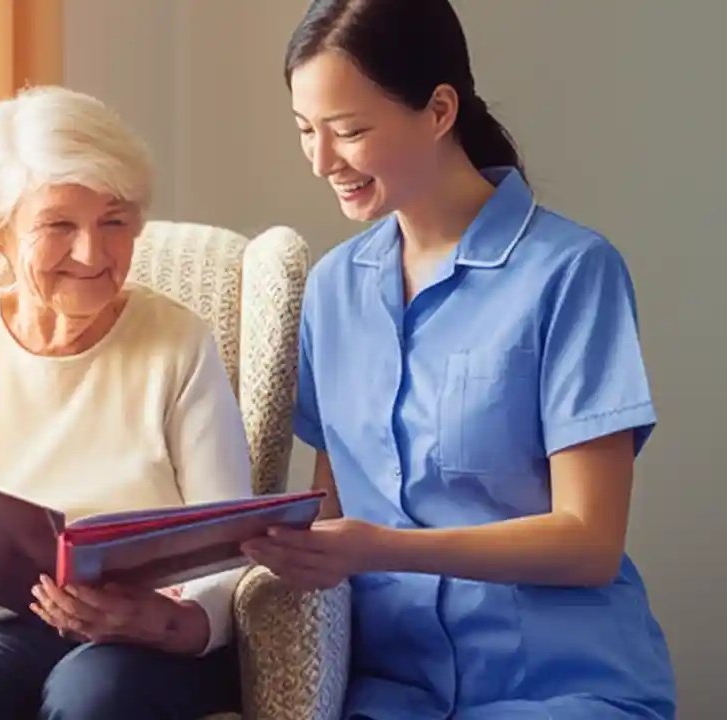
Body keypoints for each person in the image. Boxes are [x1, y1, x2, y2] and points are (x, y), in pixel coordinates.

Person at [240, 1, 677, 718]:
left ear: (439, 109)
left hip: (561, 686)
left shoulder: (570, 272)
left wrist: (382, 549)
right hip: (390, 696)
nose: (323, 162)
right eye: (305, 133)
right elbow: (331, 512)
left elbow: (590, 541)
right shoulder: (333, 291)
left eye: (349, 132)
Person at [0, 86, 247, 720]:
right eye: (59, 225)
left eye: (114, 221)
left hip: (135, 641)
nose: (92, 254)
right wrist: (43, 596)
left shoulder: (179, 343)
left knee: (96, 698)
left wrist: (168, 620)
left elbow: (229, 547)